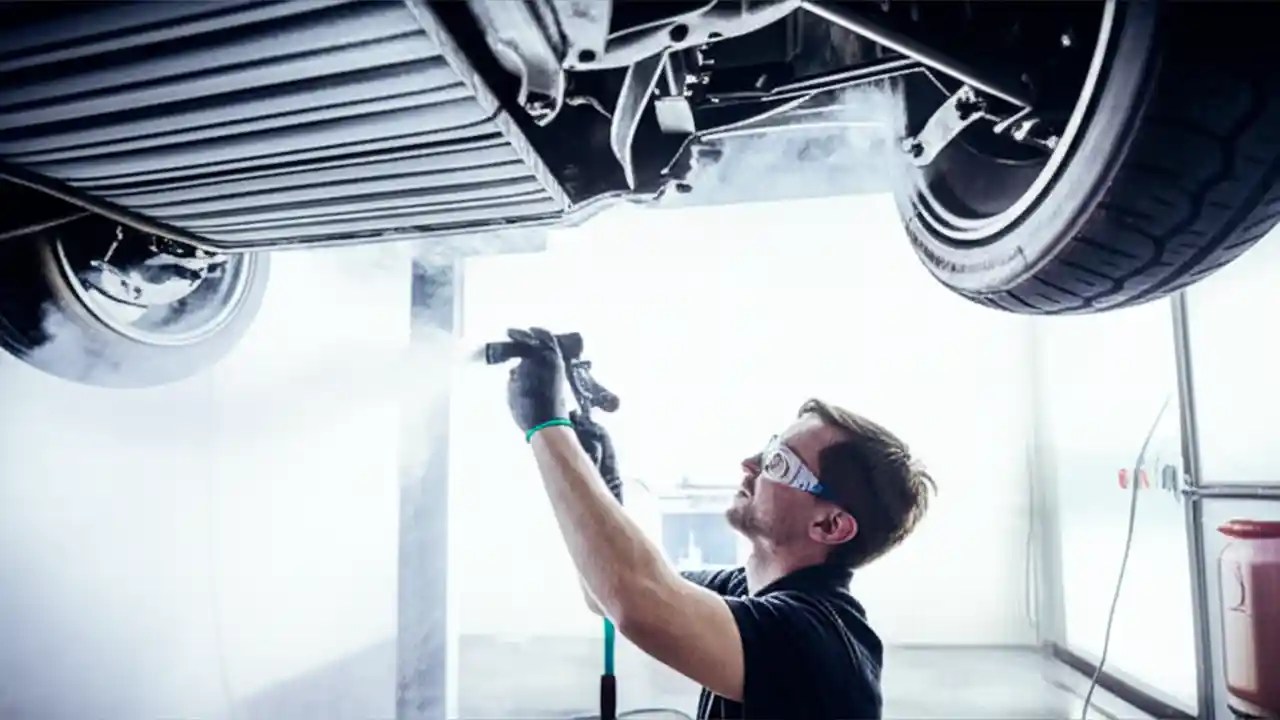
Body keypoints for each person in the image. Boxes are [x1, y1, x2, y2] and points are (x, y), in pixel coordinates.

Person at [504, 328, 936, 719]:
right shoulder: (746, 590)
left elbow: (637, 601)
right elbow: (608, 594)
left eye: (780, 463)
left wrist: (548, 427)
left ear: (829, 526)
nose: (751, 464)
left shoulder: (817, 636)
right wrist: (600, 483)